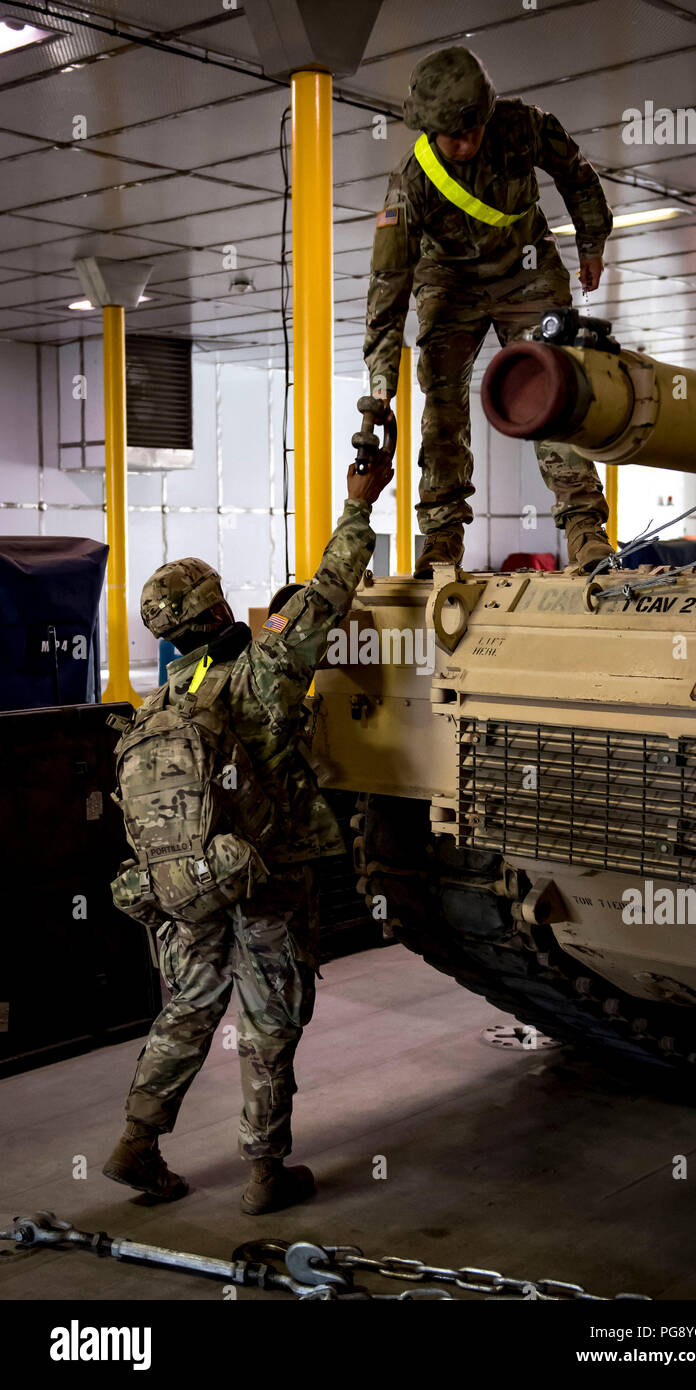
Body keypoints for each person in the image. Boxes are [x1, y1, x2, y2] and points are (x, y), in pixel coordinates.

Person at [103, 456, 393, 1215]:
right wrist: (360, 504)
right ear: (217, 603)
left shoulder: (165, 696)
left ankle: (137, 1141)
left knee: (187, 1010)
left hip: (188, 886)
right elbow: (330, 592)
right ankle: (265, 1172)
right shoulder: (262, 670)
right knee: (269, 1021)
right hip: (268, 874)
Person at [364, 45, 615, 578]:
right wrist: (381, 382)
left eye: (474, 128)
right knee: (442, 405)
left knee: (556, 387)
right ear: (429, 128)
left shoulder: (521, 126)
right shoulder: (409, 186)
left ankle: (585, 529)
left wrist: (591, 240)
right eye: (453, 135)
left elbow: (575, 173)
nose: (466, 142)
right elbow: (388, 292)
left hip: (525, 270)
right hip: (449, 283)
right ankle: (440, 543)